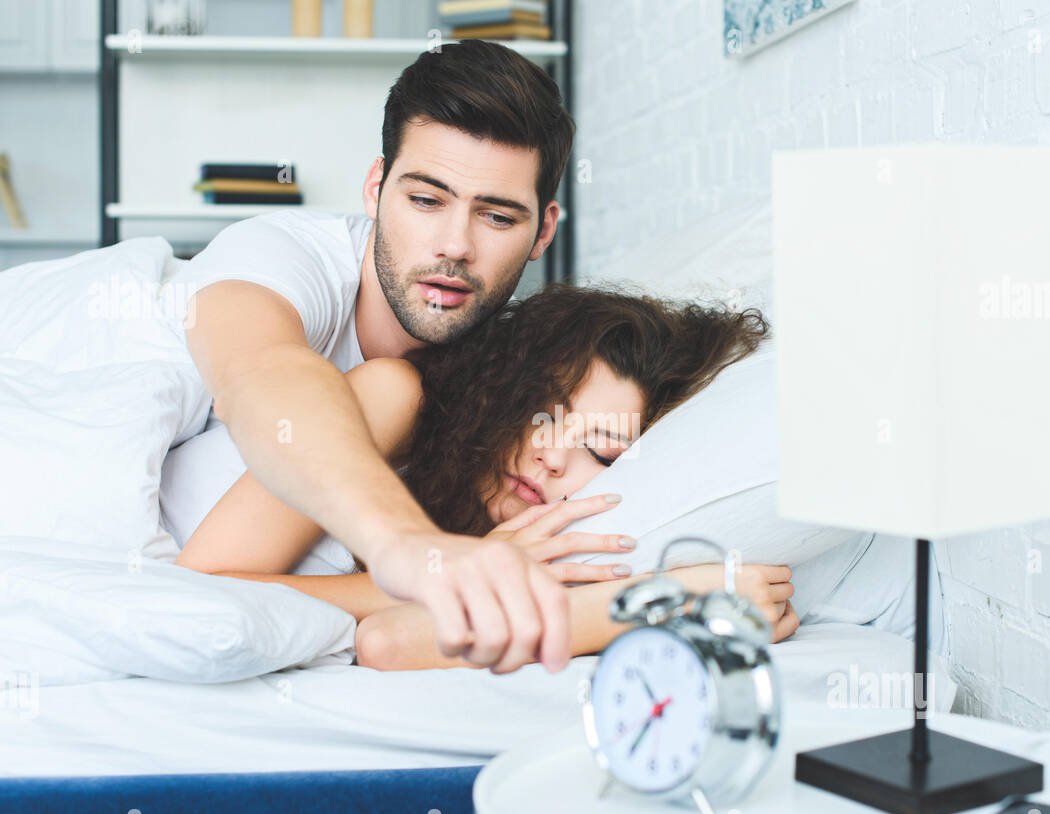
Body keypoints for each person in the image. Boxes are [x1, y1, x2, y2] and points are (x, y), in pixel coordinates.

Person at [176, 39, 577, 675]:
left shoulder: (502, 377)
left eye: (497, 217)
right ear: (375, 187)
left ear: (543, 232)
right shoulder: (280, 257)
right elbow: (263, 375)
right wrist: (407, 549)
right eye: (426, 200)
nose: (455, 245)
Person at [174, 282, 799, 671]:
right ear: (502, 383)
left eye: (601, 454)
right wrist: (668, 605)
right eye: (544, 410)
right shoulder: (396, 396)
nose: (553, 456)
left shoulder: (513, 540)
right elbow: (199, 597)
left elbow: (391, 643)